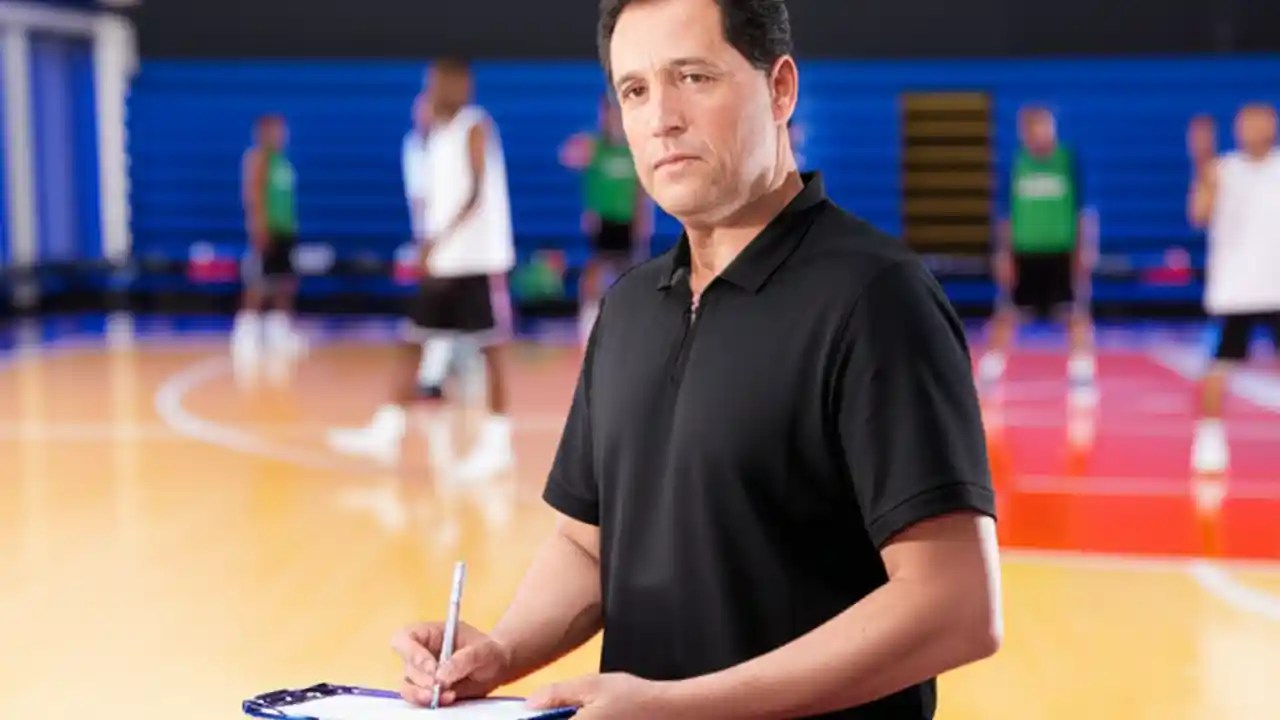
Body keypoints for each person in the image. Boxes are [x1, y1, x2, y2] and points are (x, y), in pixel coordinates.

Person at [390, 2, 1002, 718]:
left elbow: (954, 605)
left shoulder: (876, 297)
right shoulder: (629, 308)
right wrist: (502, 651)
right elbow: (588, 545)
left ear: (780, 89)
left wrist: (682, 707)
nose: (661, 119)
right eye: (635, 90)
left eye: (693, 77)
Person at [330, 59, 517, 476]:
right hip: (444, 262)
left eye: (440, 83)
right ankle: (387, 430)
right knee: (413, 339)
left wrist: (436, 239)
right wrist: (429, 244)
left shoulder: (474, 125)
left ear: (460, 86)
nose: (433, 89)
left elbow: (475, 191)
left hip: (475, 258)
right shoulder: (435, 136)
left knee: (490, 350)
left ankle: (498, 443)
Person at [977, 105, 1096, 398]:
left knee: (1074, 313)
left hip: (1061, 251)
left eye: (1044, 127)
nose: (1039, 133)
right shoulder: (1016, 164)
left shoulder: (1068, 161)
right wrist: (1003, 255)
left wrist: (1085, 249)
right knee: (1007, 314)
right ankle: (989, 372)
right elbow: (1004, 217)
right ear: (1024, 133)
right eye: (1032, 129)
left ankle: (1082, 373)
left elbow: (1084, 212)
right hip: (1024, 252)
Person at [1187, 104, 1280, 474]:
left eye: (1260, 124)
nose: (1252, 131)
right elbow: (1199, 214)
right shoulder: (1221, 170)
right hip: (1234, 291)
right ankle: (1209, 440)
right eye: (1246, 125)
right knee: (1219, 368)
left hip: (1276, 288)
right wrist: (1201, 162)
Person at [560, 94, 653, 345]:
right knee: (595, 270)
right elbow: (568, 156)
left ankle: (633, 326)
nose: (613, 119)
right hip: (602, 220)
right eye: (609, 114)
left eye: (618, 115)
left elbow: (641, 192)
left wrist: (642, 221)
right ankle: (588, 325)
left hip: (627, 221)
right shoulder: (597, 146)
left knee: (631, 272)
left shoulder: (635, 151)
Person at [403, 93, 478, 401]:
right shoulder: (416, 147)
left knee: (455, 305)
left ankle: (449, 370)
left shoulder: (453, 142)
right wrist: (426, 239)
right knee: (439, 306)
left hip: (456, 238)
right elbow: (420, 198)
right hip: (435, 238)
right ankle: (432, 374)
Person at [233, 114, 304, 358]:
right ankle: (246, 330)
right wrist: (258, 226)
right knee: (260, 281)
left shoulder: (282, 160)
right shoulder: (258, 159)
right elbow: (253, 195)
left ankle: (279, 331)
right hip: (268, 229)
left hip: (285, 228)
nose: (281, 135)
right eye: (275, 131)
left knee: (285, 281)